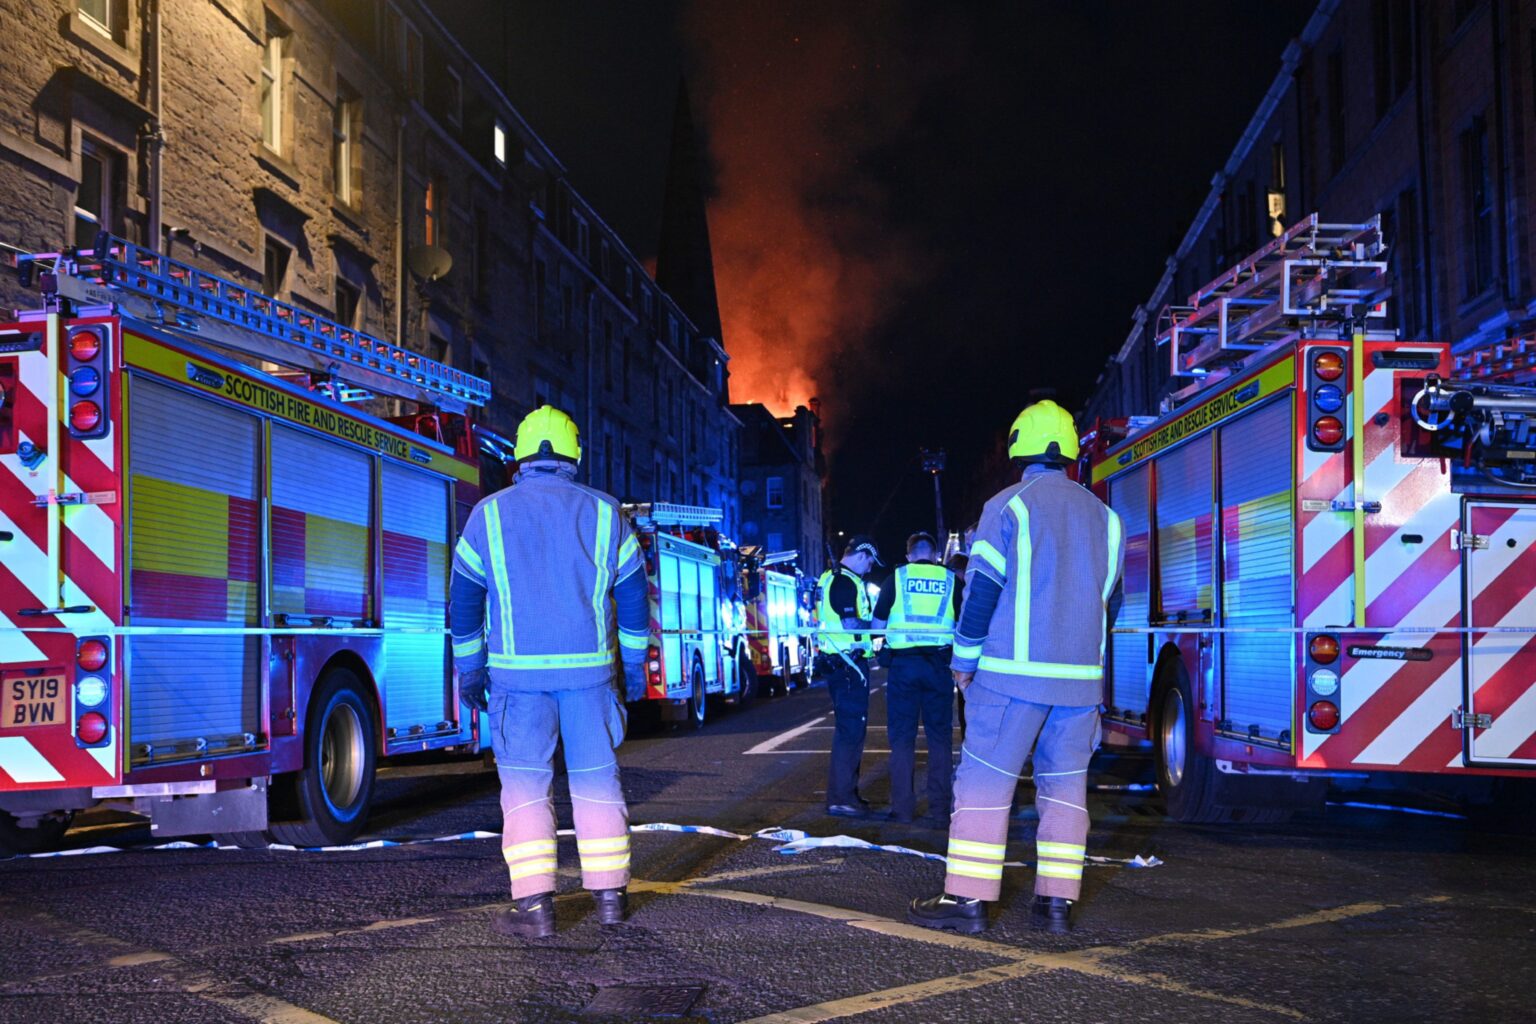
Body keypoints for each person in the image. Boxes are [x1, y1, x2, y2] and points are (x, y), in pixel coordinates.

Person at [907, 400, 1124, 935]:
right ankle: (1056, 905)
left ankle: (969, 900)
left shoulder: (1007, 506)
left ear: (1017, 445)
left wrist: (962, 661)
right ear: (1070, 450)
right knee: (1066, 787)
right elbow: (1112, 602)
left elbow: (982, 592)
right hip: (1079, 686)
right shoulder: (1107, 517)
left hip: (1010, 679)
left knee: (985, 783)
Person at [450, 405, 650, 939]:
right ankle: (610, 899)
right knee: (595, 782)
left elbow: (464, 605)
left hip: (516, 681)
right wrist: (631, 667)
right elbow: (634, 601)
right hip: (589, 677)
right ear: (573, 455)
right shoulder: (607, 515)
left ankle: (536, 911)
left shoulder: (487, 517)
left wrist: (470, 671)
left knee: (525, 789)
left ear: (519, 454)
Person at [872, 532, 960, 826]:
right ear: (935, 555)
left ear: (909, 555)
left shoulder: (896, 578)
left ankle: (903, 809)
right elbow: (964, 624)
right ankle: (939, 810)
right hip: (938, 666)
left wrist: (880, 650)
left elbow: (877, 625)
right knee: (939, 740)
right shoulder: (951, 580)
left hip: (904, 667)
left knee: (902, 740)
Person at [813, 534, 883, 817]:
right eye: (870, 561)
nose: (870, 567)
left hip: (840, 663)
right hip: (848, 665)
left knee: (850, 732)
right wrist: (882, 625)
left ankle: (846, 795)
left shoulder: (832, 577)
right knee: (850, 734)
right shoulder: (843, 581)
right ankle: (841, 798)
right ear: (861, 555)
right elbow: (850, 622)